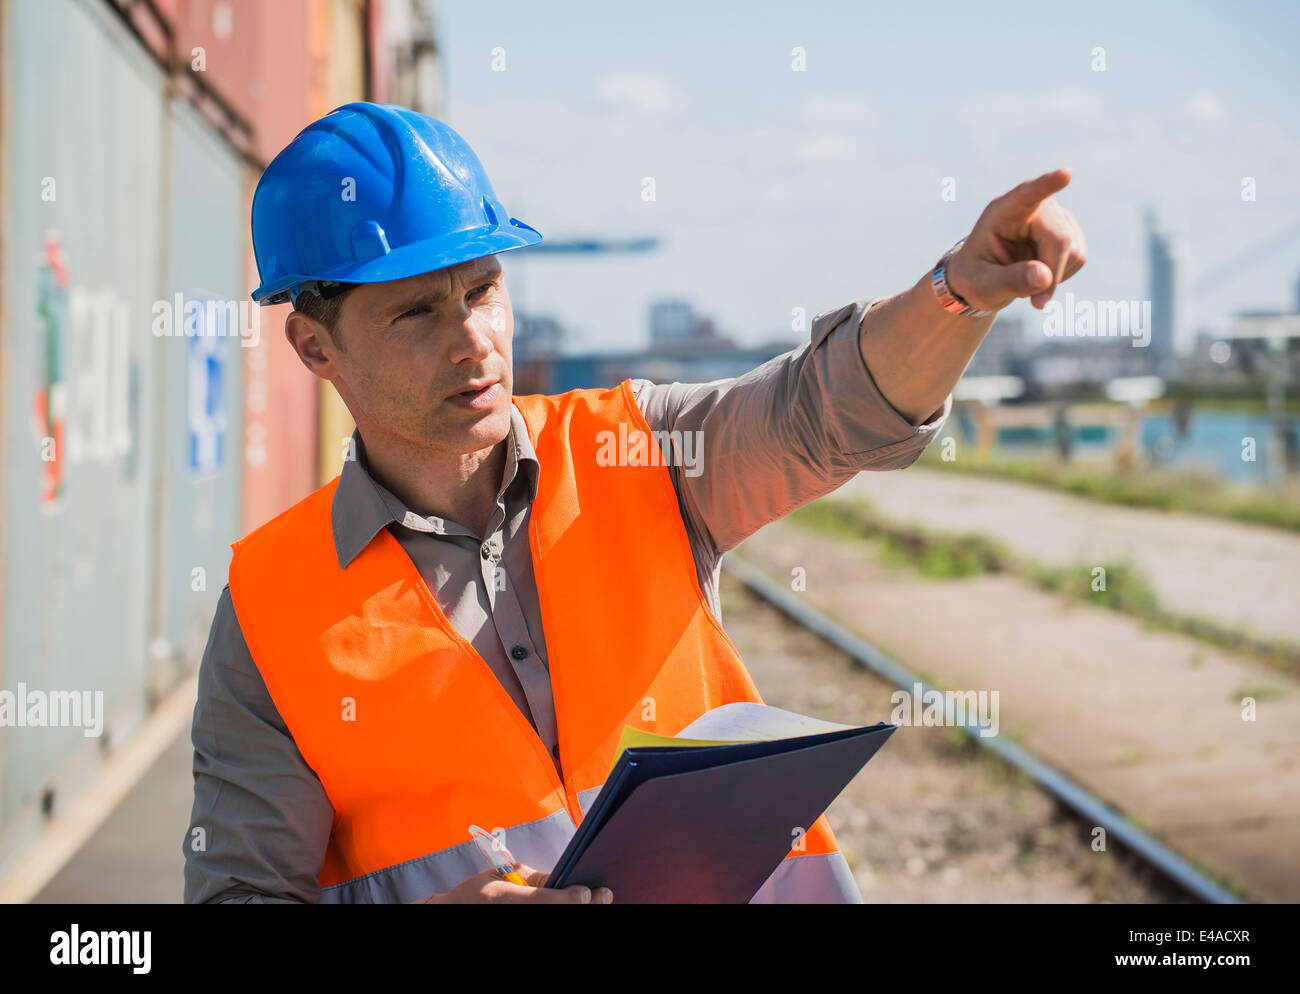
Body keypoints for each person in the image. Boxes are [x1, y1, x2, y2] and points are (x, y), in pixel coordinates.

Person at [183, 102, 1086, 904]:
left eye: (485, 291)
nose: (475, 343)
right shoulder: (272, 611)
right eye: (417, 314)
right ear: (314, 347)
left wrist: (957, 295)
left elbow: (826, 411)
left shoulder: (640, 453)